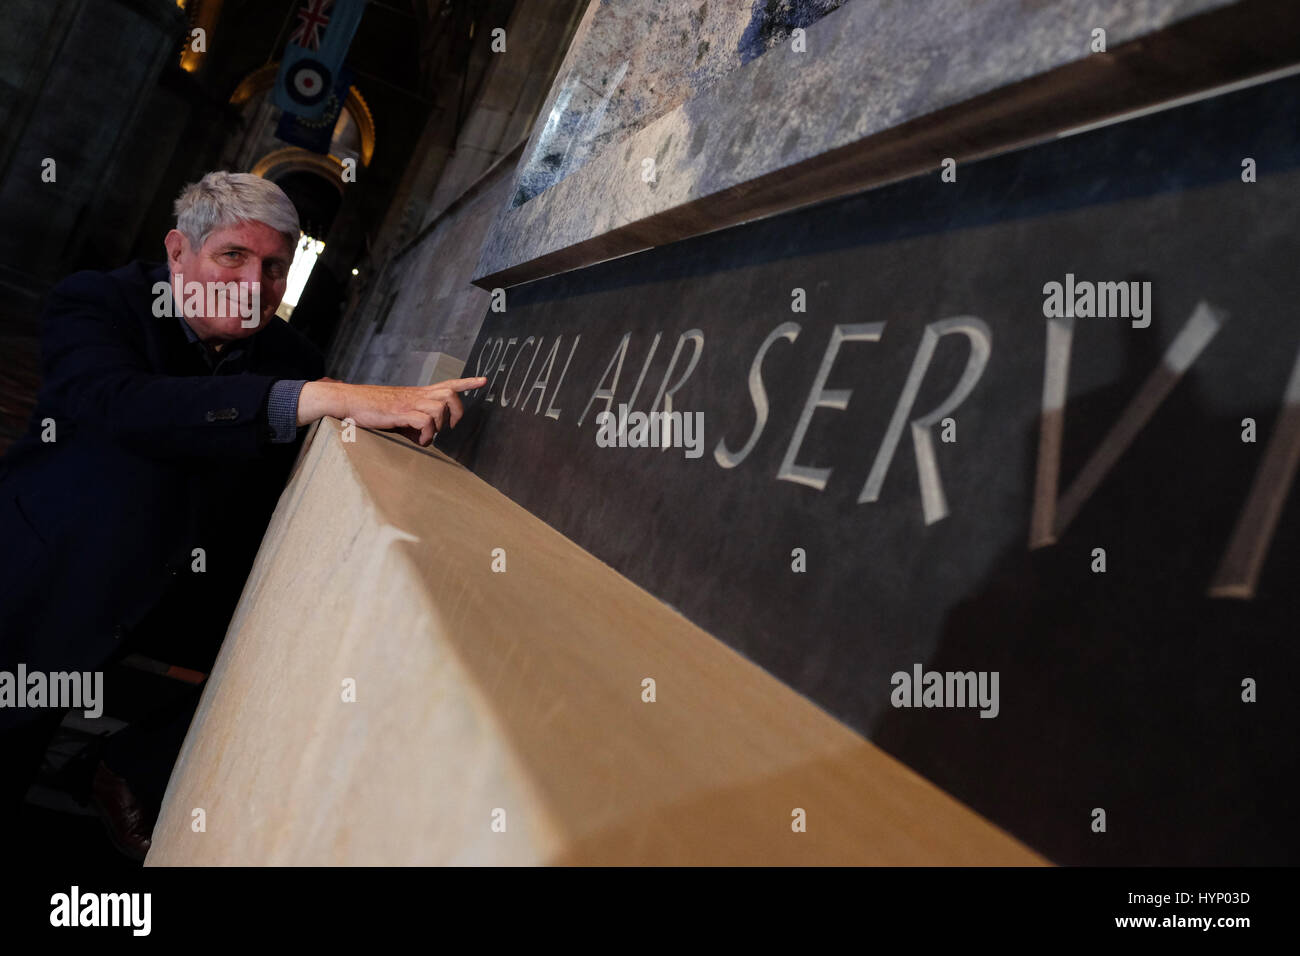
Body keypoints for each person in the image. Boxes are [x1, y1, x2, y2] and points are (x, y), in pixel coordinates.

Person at [0, 171, 485, 857]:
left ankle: (126, 767)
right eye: (234, 256)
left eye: (275, 267)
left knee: (333, 652)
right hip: (52, 572)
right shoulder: (97, 304)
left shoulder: (291, 357)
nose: (255, 283)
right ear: (178, 252)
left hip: (177, 590)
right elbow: (124, 407)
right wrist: (319, 399)